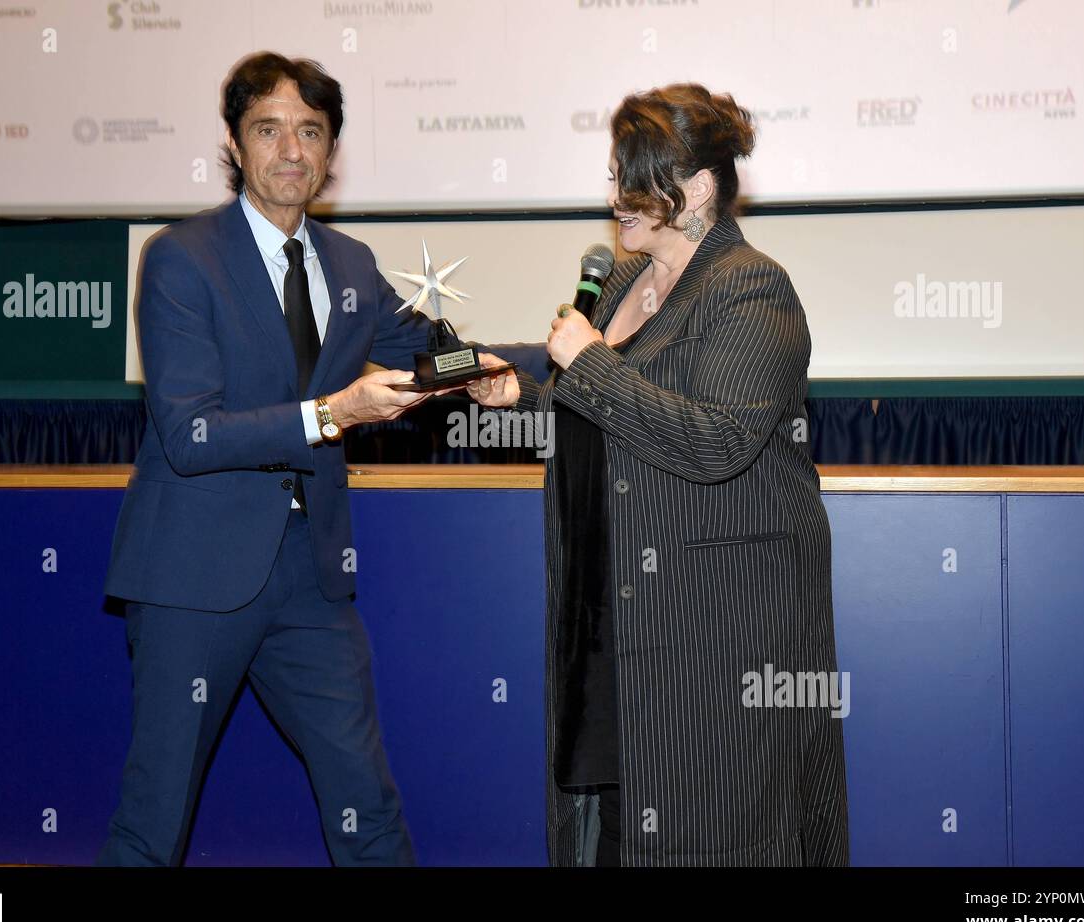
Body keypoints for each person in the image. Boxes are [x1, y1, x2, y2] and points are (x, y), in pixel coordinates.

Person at [467, 83, 849, 866]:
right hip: (612, 622)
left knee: (719, 833)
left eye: (635, 178)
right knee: (612, 832)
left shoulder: (749, 286)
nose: (617, 198)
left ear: (700, 186)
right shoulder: (618, 286)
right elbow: (608, 426)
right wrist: (522, 399)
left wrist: (591, 366)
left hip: (713, 638)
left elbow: (716, 442)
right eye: (613, 175)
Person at [97, 52, 457, 866]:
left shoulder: (352, 265)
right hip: (194, 576)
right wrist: (333, 413)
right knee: (153, 822)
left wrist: (548, 365)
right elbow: (191, 435)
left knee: (367, 802)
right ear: (234, 142)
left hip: (311, 581)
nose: (291, 150)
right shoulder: (181, 258)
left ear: (331, 152)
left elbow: (439, 354)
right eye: (269, 129)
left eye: (310, 131)